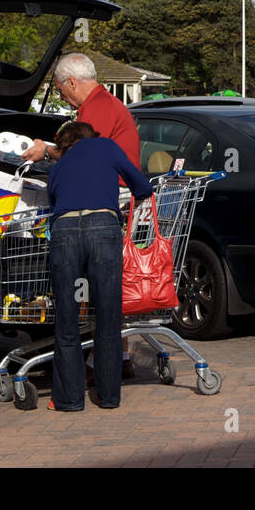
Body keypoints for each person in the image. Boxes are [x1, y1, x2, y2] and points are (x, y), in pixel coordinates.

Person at [23, 52, 142, 378]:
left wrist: (44, 150)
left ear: (72, 82)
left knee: (94, 283)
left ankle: (99, 362)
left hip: (104, 205)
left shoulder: (95, 109)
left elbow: (80, 151)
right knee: (102, 284)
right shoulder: (104, 104)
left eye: (62, 91)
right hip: (111, 200)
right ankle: (118, 356)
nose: (64, 98)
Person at [45, 121, 152, 411]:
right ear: (91, 136)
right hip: (103, 228)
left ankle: (68, 400)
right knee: (107, 316)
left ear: (65, 144)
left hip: (65, 232)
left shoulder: (58, 167)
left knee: (67, 321)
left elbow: (53, 202)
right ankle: (108, 397)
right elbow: (141, 186)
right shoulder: (106, 146)